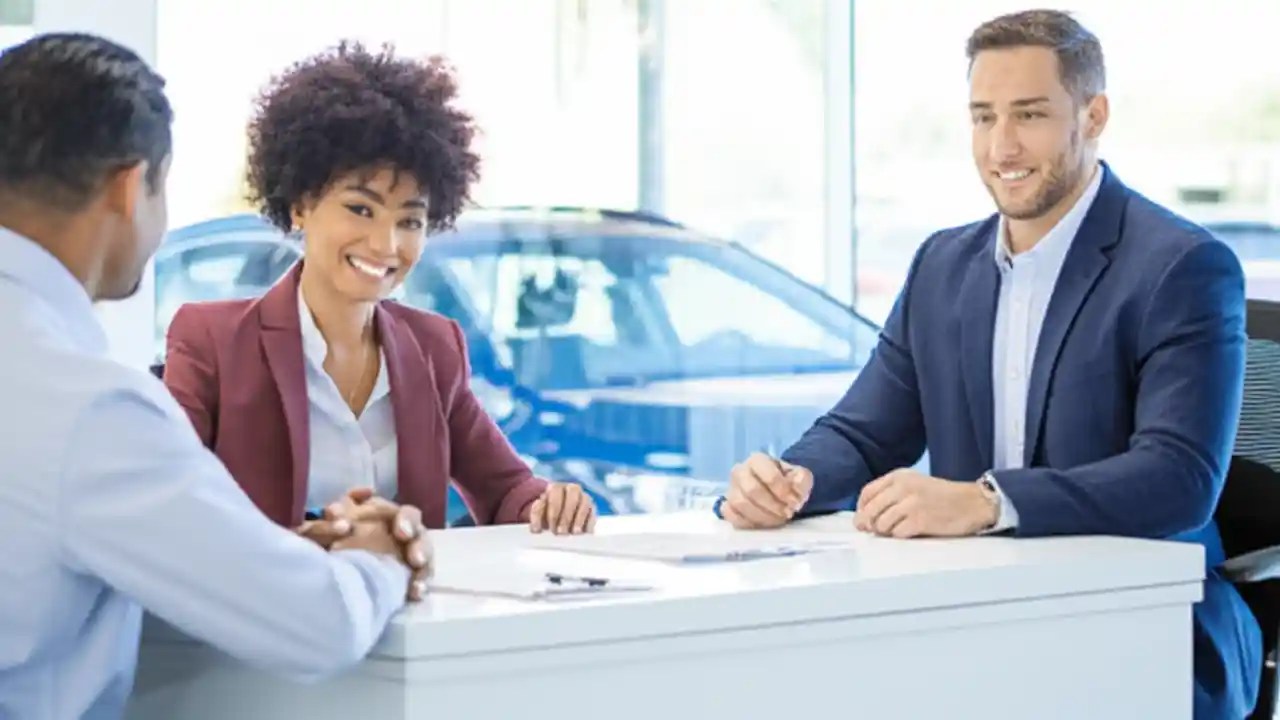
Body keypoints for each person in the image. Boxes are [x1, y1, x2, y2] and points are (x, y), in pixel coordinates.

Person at [718, 10, 1259, 719]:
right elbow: (863, 433)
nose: (1002, 145)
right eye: (983, 117)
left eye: (1029, 115)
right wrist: (793, 480)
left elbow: (1178, 479)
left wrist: (986, 502)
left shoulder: (1180, 267)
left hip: (1142, 629)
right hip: (980, 618)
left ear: (1092, 116)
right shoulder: (944, 264)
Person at [0, 33, 431, 720]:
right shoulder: (87, 409)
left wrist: (259, 549)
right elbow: (315, 625)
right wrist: (377, 552)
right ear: (130, 187)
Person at [161, 43, 596, 536]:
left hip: (406, 610)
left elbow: (506, 490)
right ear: (301, 204)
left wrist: (549, 503)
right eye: (360, 209)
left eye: (409, 220)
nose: (386, 244)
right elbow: (171, 501)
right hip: (264, 609)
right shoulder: (211, 341)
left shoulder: (434, 348)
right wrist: (313, 546)